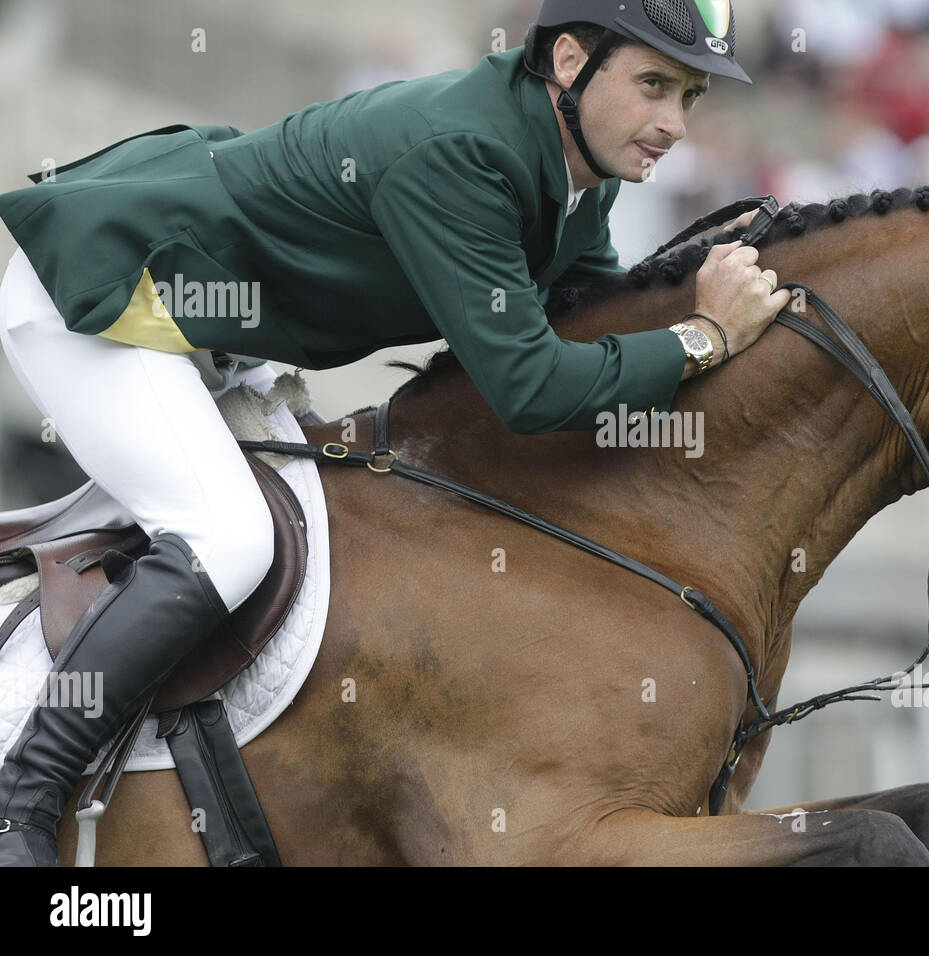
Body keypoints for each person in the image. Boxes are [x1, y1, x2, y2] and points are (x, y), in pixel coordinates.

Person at [0, 0, 790, 865]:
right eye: (653, 85)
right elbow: (528, 387)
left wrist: (713, 299)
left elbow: (586, 324)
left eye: (689, 95)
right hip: (107, 295)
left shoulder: (573, 172)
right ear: (569, 61)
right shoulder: (465, 152)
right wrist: (701, 336)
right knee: (228, 540)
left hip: (210, 323)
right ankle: (25, 801)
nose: (674, 123)